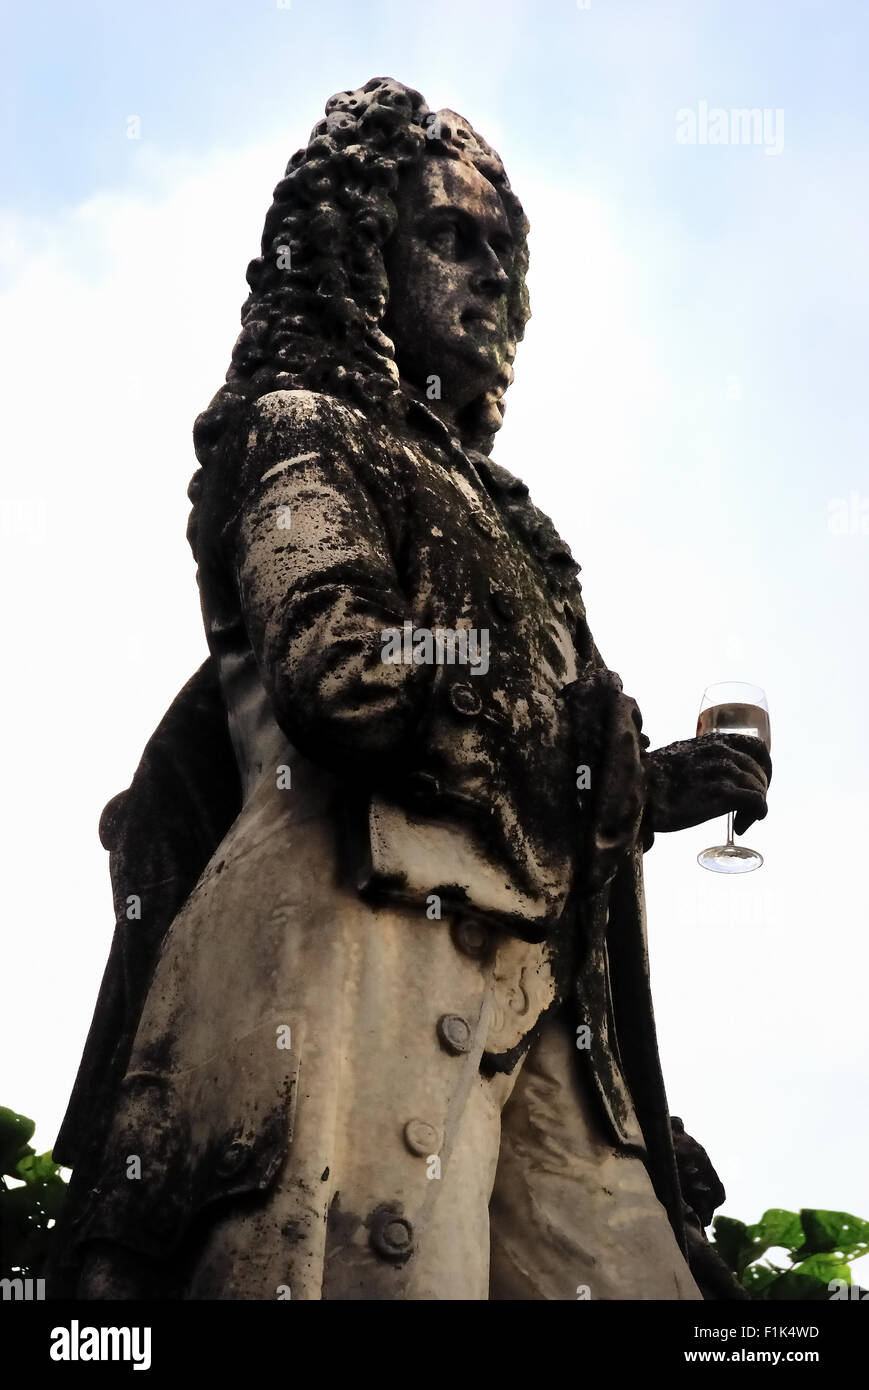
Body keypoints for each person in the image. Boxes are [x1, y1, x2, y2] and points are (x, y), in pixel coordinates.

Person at [51, 77, 771, 1300]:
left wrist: (643, 784)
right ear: (354, 257)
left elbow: (523, 766)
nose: (489, 276)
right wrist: (578, 725)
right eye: (447, 237)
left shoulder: (510, 528)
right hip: (348, 975)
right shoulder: (301, 429)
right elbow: (343, 668)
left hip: (543, 1016)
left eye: (502, 251)